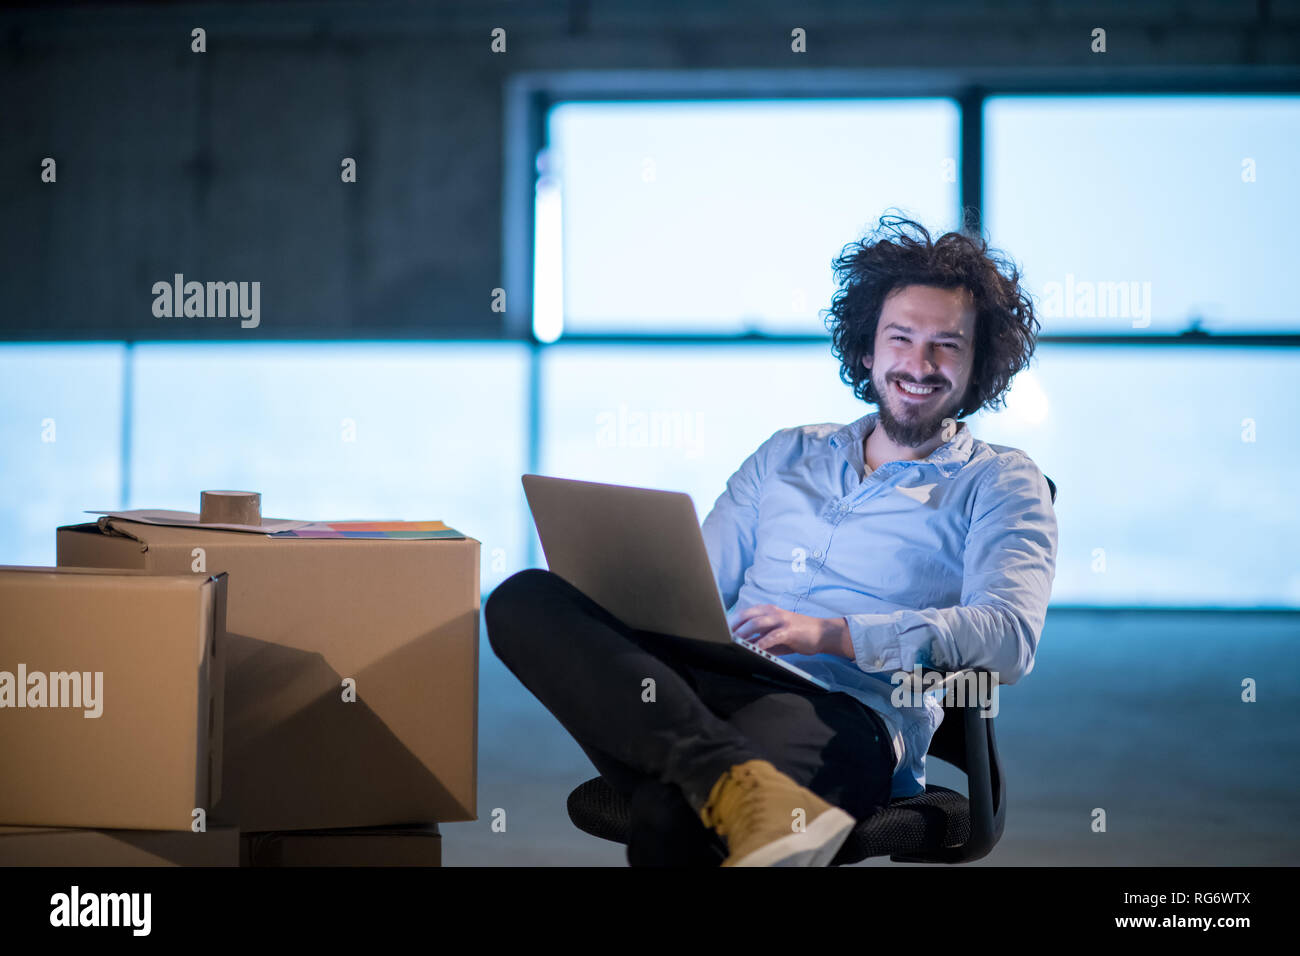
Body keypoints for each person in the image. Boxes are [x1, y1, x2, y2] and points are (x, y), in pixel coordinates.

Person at [485, 213, 1059, 866]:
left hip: (842, 715)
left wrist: (833, 634)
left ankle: (716, 778)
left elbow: (1009, 637)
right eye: (900, 338)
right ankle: (729, 778)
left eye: (946, 345)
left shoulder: (1000, 480)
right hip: (710, 686)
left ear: (978, 362)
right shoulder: (787, 454)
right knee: (523, 598)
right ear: (866, 349)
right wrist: (620, 599)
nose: (919, 364)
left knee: (670, 812)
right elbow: (692, 590)